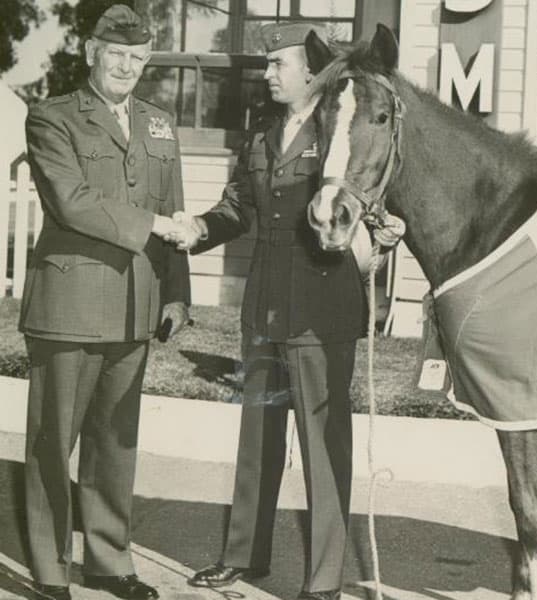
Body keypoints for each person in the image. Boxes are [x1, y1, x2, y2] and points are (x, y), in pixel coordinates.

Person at [172, 23, 400, 600]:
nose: (268, 74)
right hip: (265, 312)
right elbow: (237, 208)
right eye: (268, 65)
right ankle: (245, 555)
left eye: (279, 65)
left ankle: (323, 581)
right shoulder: (262, 137)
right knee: (257, 437)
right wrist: (199, 228)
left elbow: (373, 202)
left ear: (311, 73)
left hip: (322, 314)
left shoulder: (339, 140)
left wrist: (385, 229)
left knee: (325, 447)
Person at [19, 5, 192, 600]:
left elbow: (175, 206)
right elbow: (72, 201)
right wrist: (159, 227)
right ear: (92, 52)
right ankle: (47, 569)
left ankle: (108, 561)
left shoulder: (159, 124)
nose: (127, 66)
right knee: (52, 441)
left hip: (135, 307)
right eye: (116, 54)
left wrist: (176, 294)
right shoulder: (53, 117)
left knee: (115, 443)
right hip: (69, 304)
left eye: (139, 58)